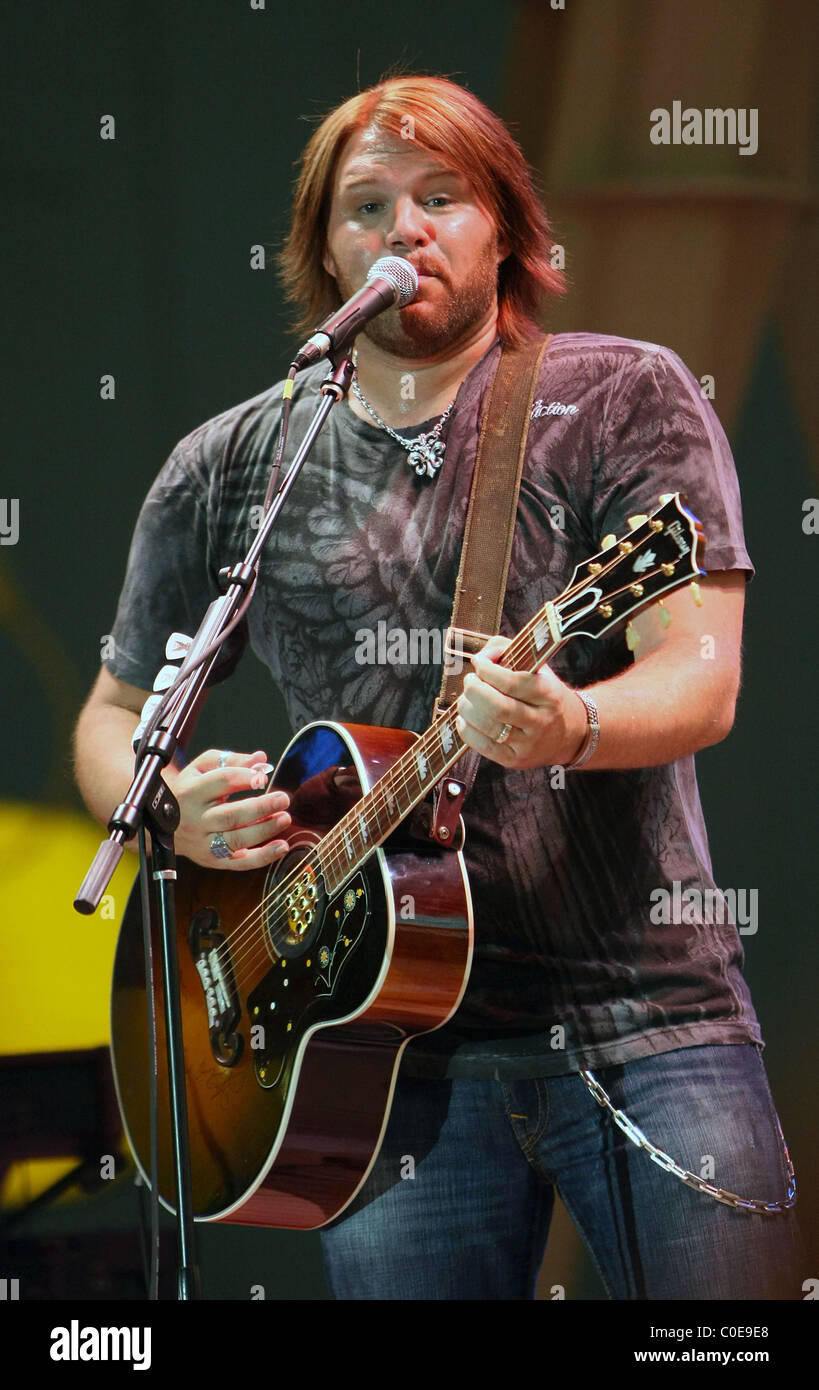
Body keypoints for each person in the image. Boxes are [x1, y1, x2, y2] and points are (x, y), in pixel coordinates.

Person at [74, 74, 803, 1300]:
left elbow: (701, 669)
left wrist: (572, 720)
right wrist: (169, 812)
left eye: (440, 196)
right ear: (321, 249)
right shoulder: (234, 461)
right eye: (366, 206)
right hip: (369, 1057)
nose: (402, 228)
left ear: (508, 227)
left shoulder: (621, 394)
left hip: (643, 1017)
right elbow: (111, 721)